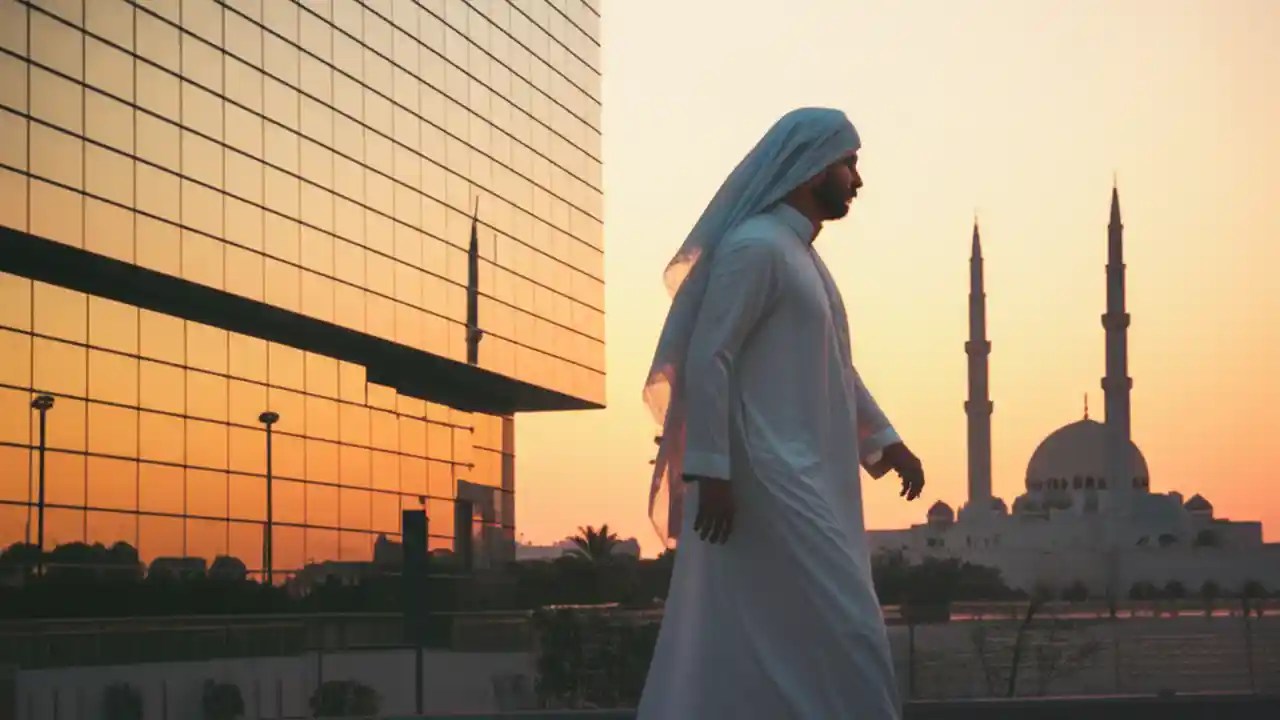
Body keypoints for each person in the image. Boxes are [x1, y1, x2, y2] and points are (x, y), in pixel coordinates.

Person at [637, 107, 925, 719]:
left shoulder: (800, 257)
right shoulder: (755, 248)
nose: (857, 180)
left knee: (794, 637)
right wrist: (712, 471)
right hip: (769, 477)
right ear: (811, 167)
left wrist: (885, 441)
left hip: (808, 474)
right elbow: (708, 356)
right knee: (849, 631)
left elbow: (835, 368)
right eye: (849, 164)